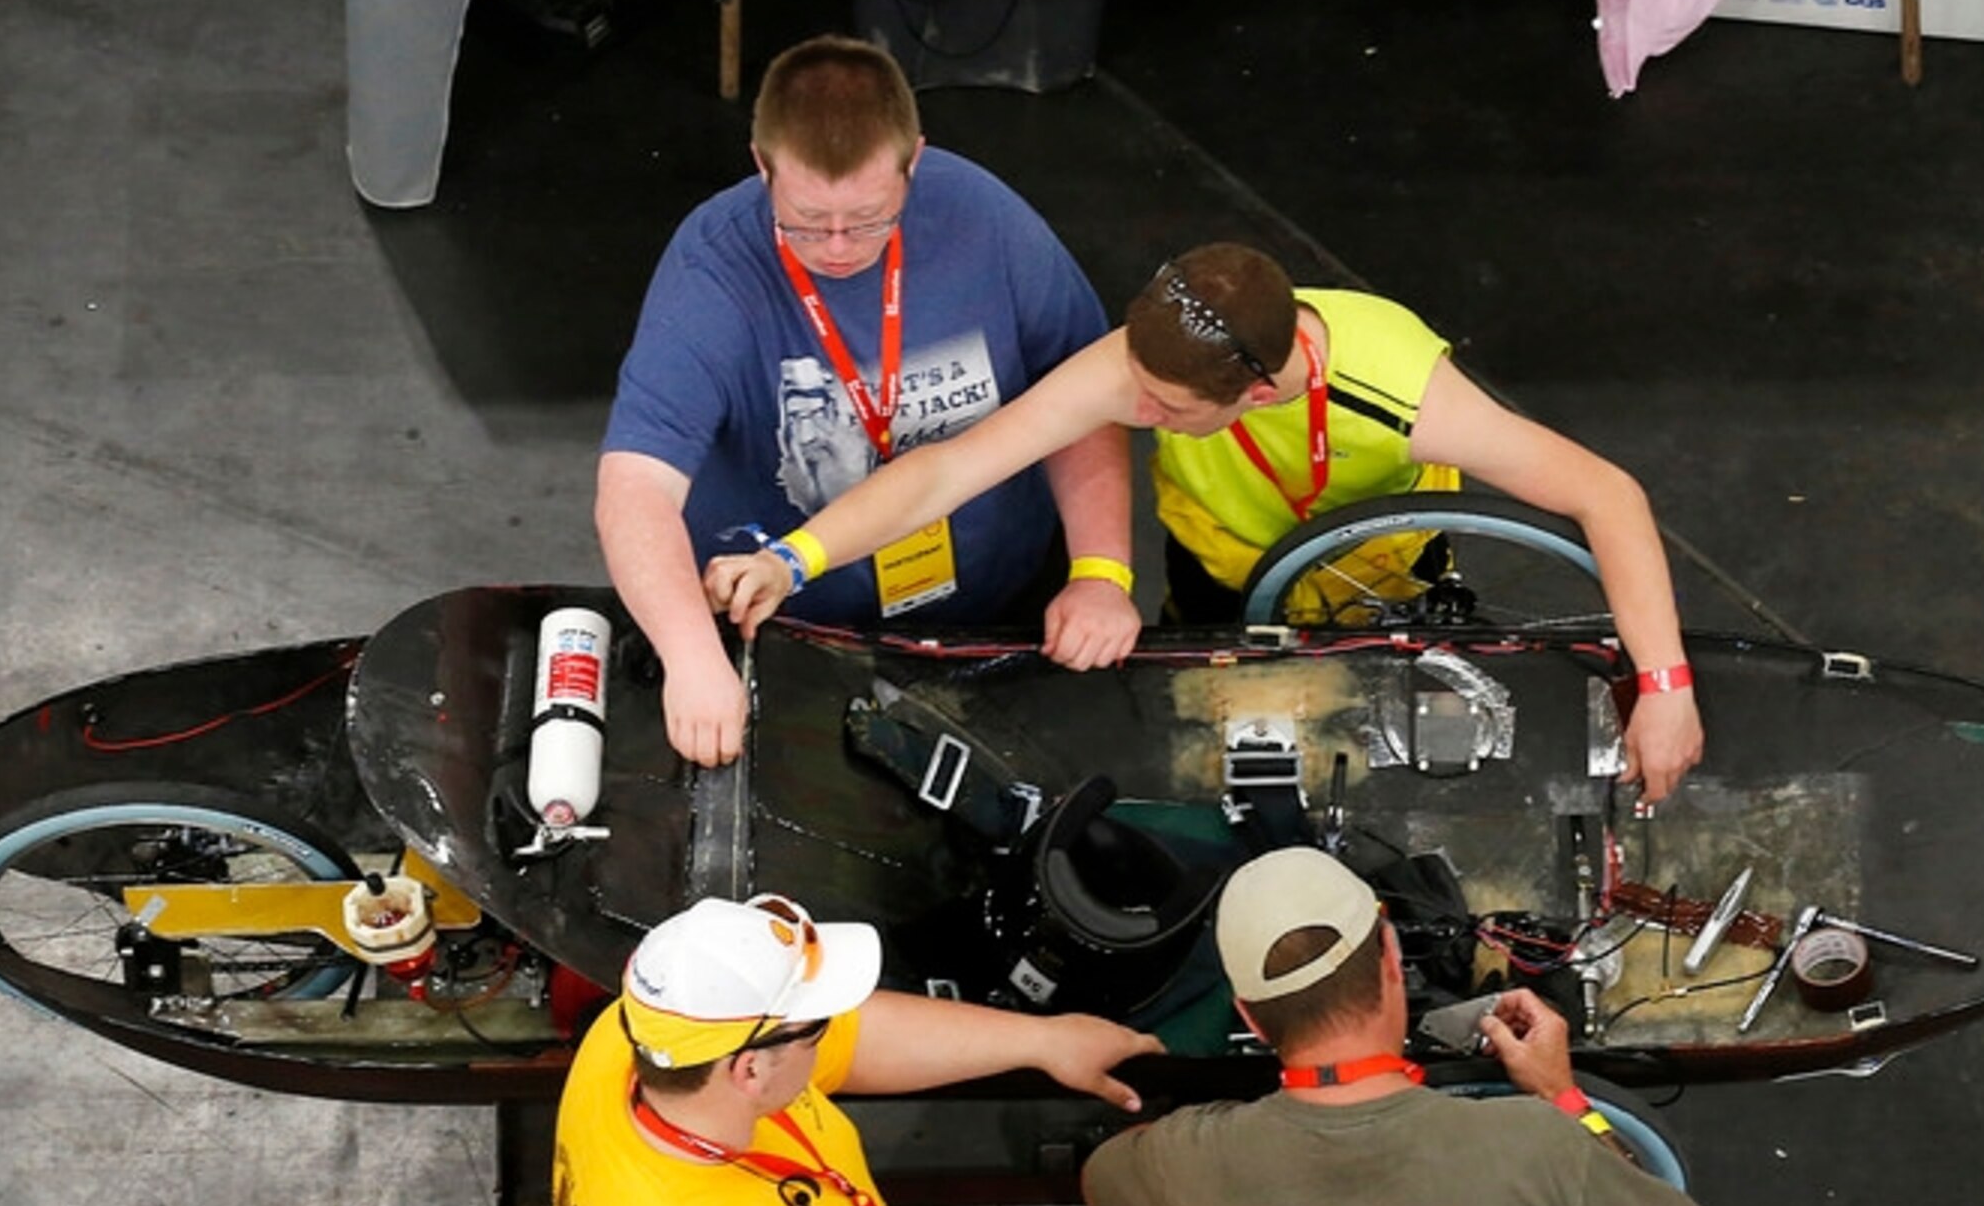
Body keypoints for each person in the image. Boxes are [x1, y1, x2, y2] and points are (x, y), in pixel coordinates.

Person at [703, 242, 1703, 802]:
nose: (1138, 415)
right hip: (1217, 577)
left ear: (1258, 389)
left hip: (1381, 570)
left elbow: (1607, 496)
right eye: (1135, 391)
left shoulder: (1400, 381)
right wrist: (797, 558)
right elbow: (951, 470)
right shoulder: (1141, 363)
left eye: (1169, 412)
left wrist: (1663, 688)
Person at [598, 35, 1139, 769]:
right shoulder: (712, 270)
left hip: (1000, 601)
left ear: (914, 160)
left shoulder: (987, 221)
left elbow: (1085, 390)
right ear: (763, 165)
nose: (840, 246)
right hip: (794, 627)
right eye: (806, 221)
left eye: (870, 217)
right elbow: (635, 487)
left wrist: (1101, 571)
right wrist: (693, 658)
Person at [1079, 847, 1711, 1206]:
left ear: (1251, 1014)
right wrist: (1562, 1097)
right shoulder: (1543, 1150)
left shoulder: (1183, 1165)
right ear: (1388, 952)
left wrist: (1200, 1141)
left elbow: (1099, 1178)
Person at [552, 891, 1162, 1206]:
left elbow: (859, 1036)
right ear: (750, 1073)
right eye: (814, 1027)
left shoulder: (643, 1037)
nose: (832, 1031)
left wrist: (1043, 1043)